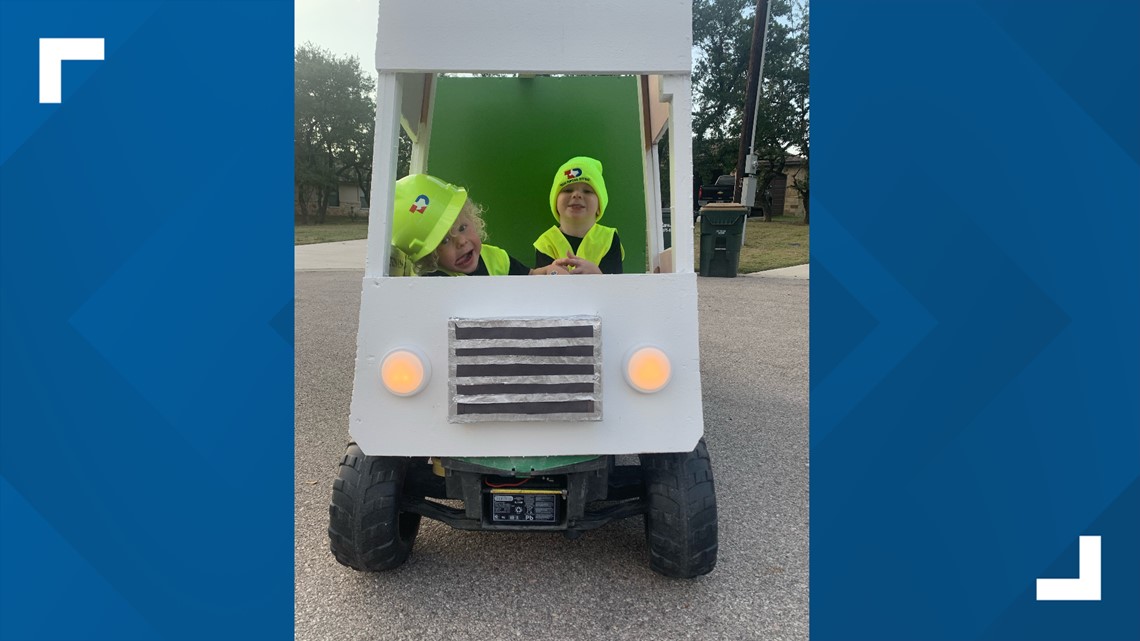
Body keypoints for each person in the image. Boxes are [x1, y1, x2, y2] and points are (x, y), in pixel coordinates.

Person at [392, 173, 565, 276]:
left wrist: (549, 271)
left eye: (462, 228)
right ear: (429, 258)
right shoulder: (436, 282)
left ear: (474, 220)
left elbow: (530, 277)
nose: (460, 241)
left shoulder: (495, 258)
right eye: (444, 241)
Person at [533, 156, 624, 274]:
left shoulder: (609, 239)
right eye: (568, 190)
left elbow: (616, 288)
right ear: (555, 203)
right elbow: (544, 290)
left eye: (587, 191)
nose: (576, 195)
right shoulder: (546, 243)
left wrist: (597, 276)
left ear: (599, 206)